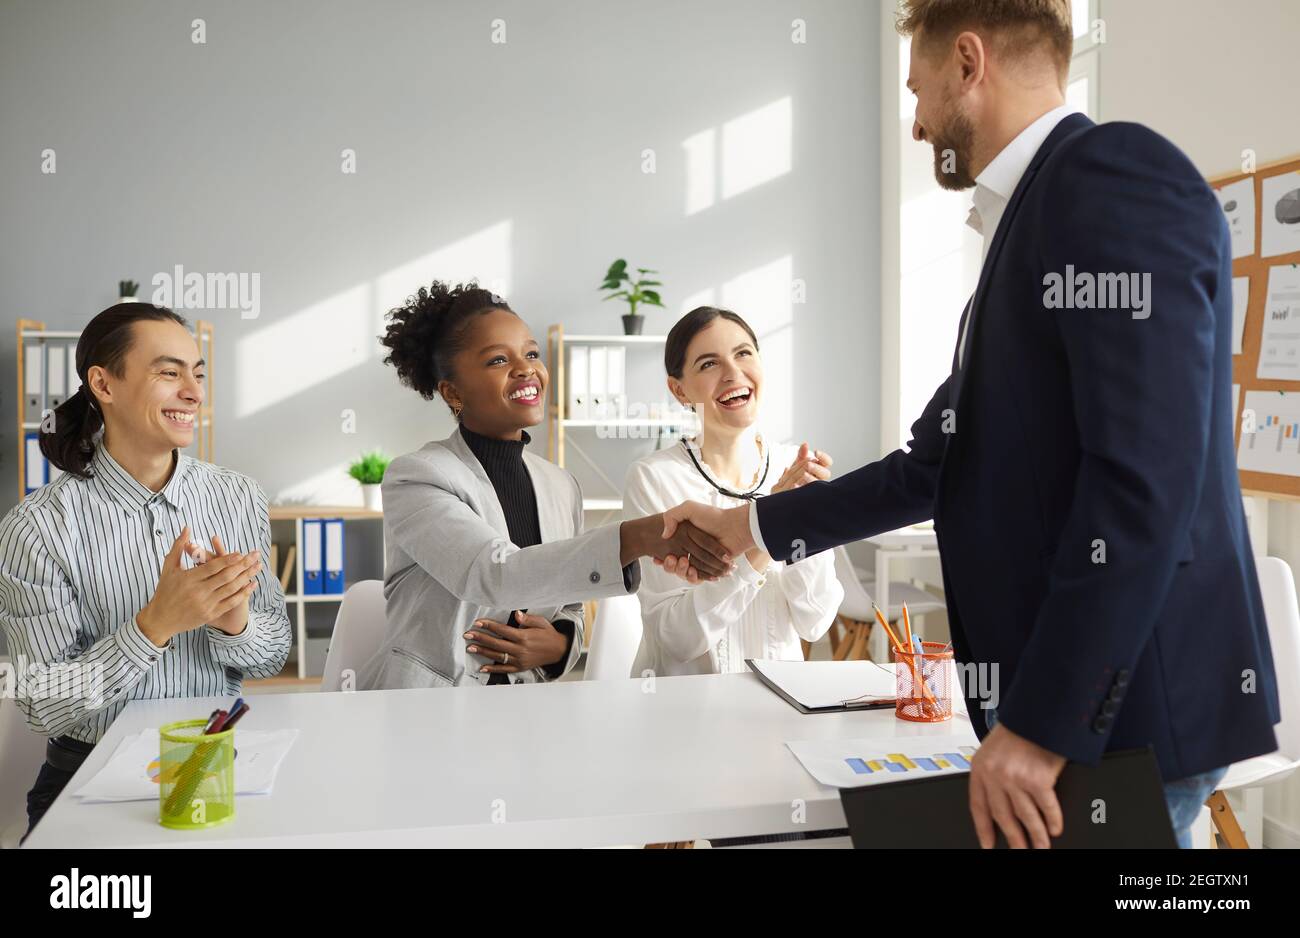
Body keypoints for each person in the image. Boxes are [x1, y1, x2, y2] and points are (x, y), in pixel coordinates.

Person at [659, 0, 1280, 849]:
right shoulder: (1033, 218)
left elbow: (1145, 479)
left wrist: (1045, 723)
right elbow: (930, 466)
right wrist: (748, 525)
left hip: (1127, 715)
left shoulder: (1109, 176)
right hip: (1095, 716)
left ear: (967, 62)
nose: (915, 125)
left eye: (916, 92)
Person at [0, 303, 291, 839]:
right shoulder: (36, 529)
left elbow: (273, 654)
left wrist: (236, 623)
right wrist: (152, 627)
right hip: (88, 779)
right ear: (103, 385)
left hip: (214, 764)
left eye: (197, 373)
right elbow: (40, 701)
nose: (194, 393)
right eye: (168, 372)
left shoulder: (237, 496)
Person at [357, 282, 732, 691]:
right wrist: (639, 536)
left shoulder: (561, 485)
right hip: (424, 712)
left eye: (532, 353)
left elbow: (568, 608)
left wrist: (558, 645)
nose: (526, 369)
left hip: (528, 713)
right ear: (453, 391)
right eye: (498, 360)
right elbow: (493, 575)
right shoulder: (417, 477)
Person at [623, 306, 841, 677]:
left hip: (780, 706)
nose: (733, 373)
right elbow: (676, 641)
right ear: (679, 390)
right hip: (684, 714)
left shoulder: (796, 468)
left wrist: (803, 517)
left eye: (743, 353)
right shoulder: (654, 478)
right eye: (709, 364)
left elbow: (816, 622)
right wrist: (769, 526)